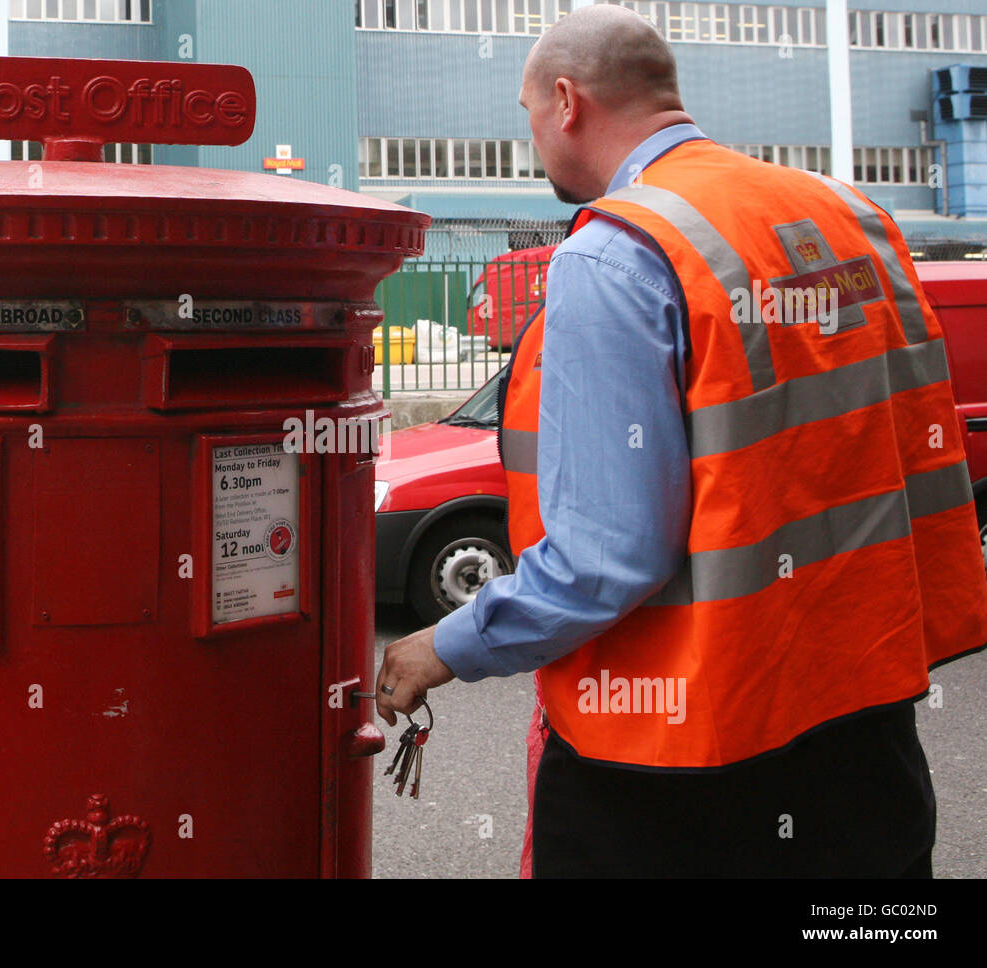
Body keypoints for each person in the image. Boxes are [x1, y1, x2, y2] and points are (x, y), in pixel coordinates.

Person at [374, 4, 987, 878]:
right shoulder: (849, 215)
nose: (533, 143)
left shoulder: (617, 254)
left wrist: (447, 644)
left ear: (565, 101)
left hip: (681, 760)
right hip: (864, 724)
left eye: (527, 118)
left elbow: (604, 557)